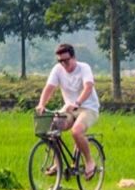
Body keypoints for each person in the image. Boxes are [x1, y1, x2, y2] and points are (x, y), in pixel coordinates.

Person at [35, 43, 101, 179]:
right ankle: (57, 163)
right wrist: (41, 104)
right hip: (69, 108)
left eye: (66, 60)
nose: (63, 64)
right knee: (53, 126)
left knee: (76, 131)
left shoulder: (84, 68)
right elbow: (49, 88)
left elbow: (88, 88)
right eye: (60, 61)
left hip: (88, 108)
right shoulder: (57, 70)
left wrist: (77, 103)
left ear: (74, 57)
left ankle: (89, 161)